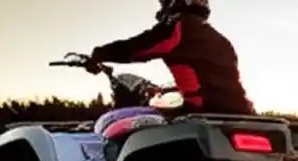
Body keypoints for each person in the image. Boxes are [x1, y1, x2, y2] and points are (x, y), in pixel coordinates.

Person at [88, 0, 255, 115]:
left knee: (142, 134)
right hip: (241, 111)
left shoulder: (178, 28)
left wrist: (100, 54)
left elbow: (141, 47)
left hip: (203, 110)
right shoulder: (221, 40)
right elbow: (210, 77)